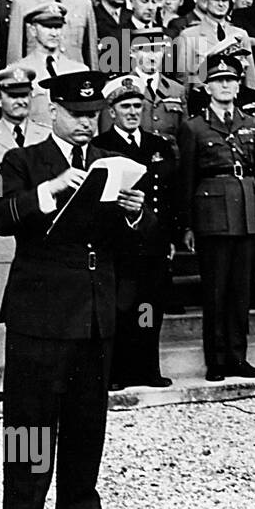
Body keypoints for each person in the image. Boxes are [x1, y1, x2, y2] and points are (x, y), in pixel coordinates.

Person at [0, 70, 149, 509]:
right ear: (51, 111)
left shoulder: (111, 160)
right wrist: (52, 188)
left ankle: (78, 505)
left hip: (95, 306)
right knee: (29, 418)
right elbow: (0, 217)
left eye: (91, 116)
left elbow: (132, 241)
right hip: (40, 308)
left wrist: (135, 211)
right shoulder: (24, 160)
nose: (84, 124)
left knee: (87, 413)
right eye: (76, 115)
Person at [176, 55, 255, 383]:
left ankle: (238, 357)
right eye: (219, 80)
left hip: (245, 208)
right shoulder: (194, 126)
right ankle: (216, 360)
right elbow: (186, 176)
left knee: (242, 290)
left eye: (231, 80)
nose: (226, 85)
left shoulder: (251, 123)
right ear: (207, 86)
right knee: (216, 290)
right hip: (212, 211)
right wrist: (186, 224)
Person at [95, 75, 178, 391]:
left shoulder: (159, 145)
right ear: (112, 111)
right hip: (117, 240)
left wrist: (170, 235)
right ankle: (116, 371)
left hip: (152, 240)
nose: (132, 112)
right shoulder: (101, 146)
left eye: (137, 106)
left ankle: (147, 368)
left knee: (149, 306)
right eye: (125, 106)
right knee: (120, 306)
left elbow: (168, 195)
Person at [0, 66, 51, 403]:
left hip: (41, 229)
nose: (21, 101)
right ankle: (0, 379)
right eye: (13, 95)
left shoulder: (45, 134)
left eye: (25, 94)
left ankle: (36, 374)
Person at [14, 2, 89, 128]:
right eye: (47, 27)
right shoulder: (20, 70)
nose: (54, 33)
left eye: (58, 27)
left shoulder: (79, 70)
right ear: (33, 30)